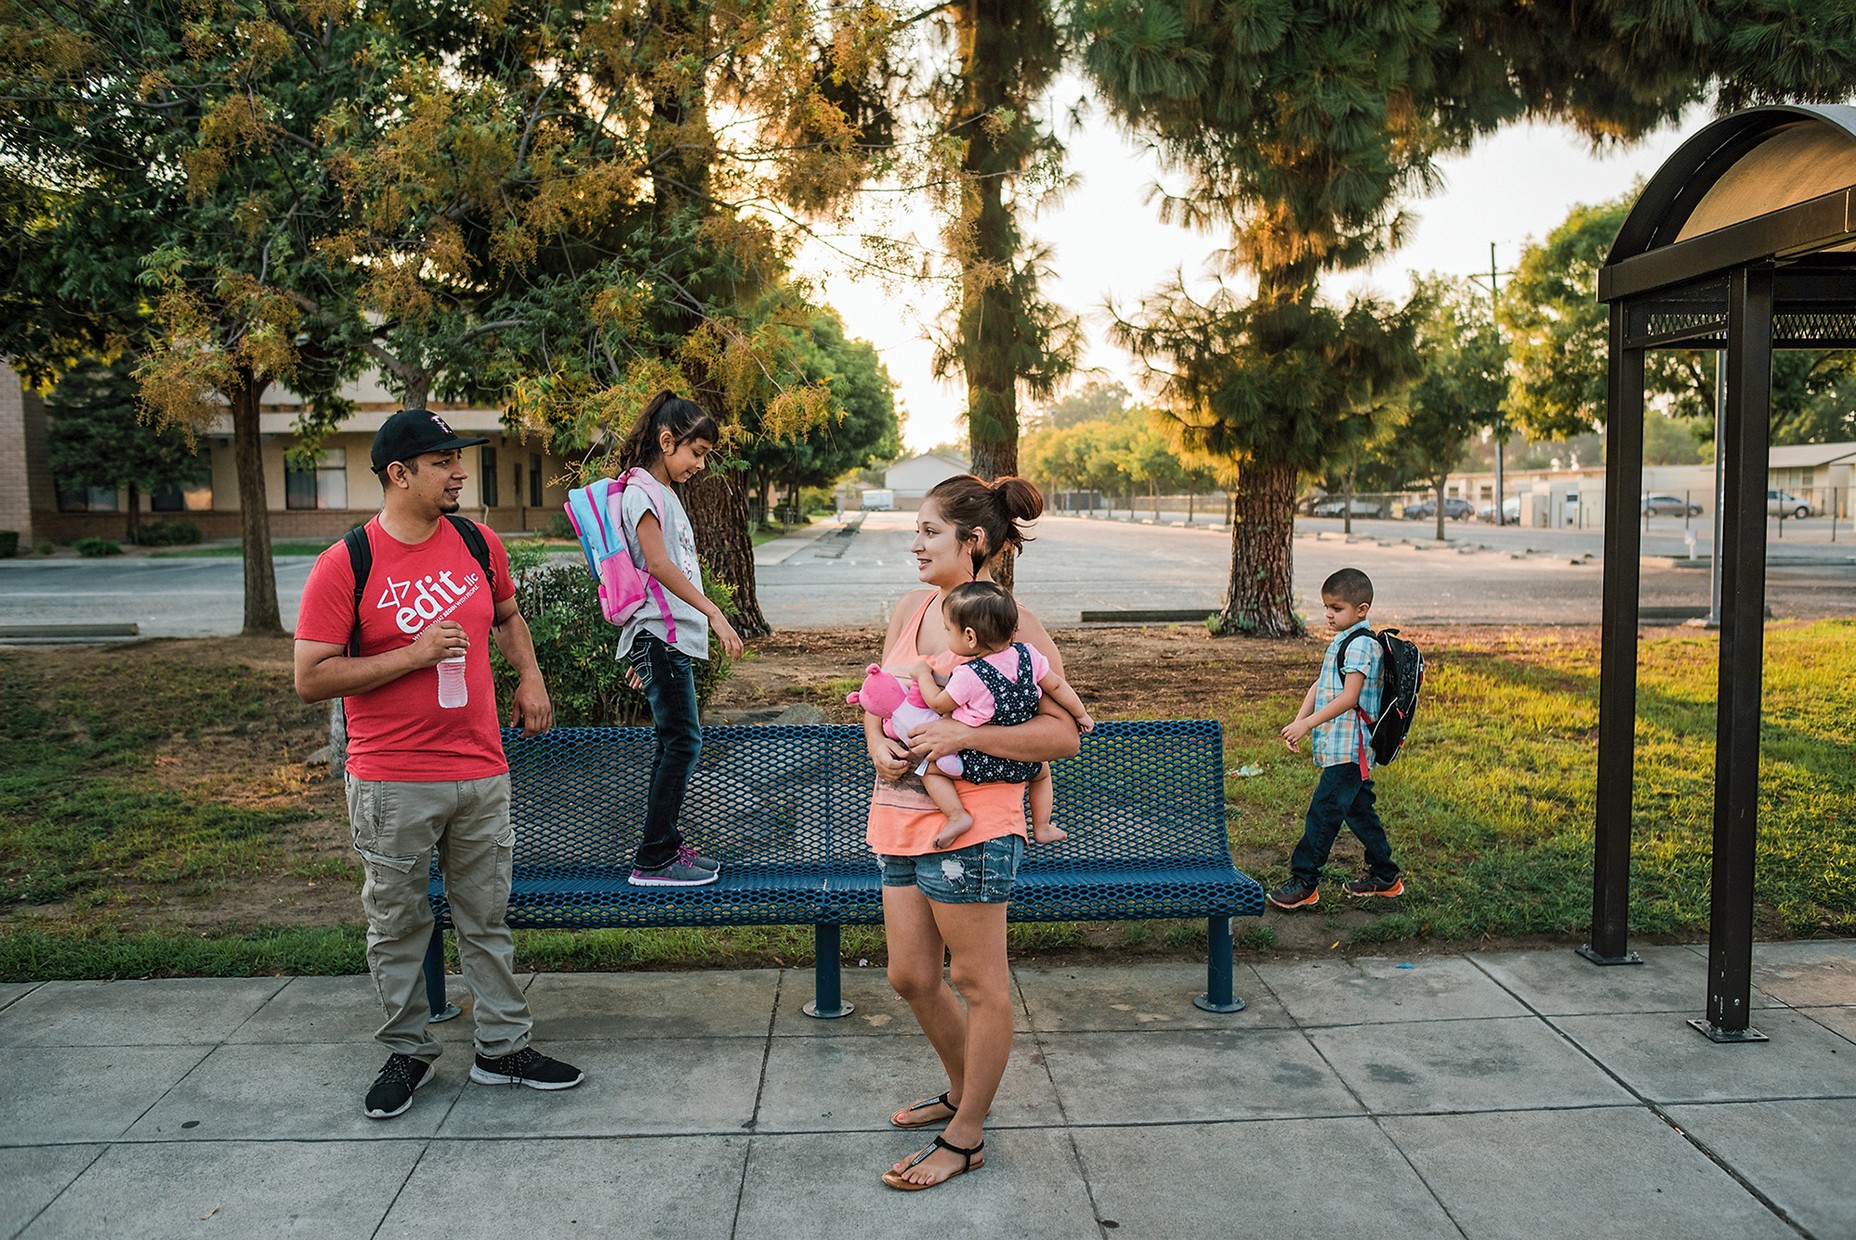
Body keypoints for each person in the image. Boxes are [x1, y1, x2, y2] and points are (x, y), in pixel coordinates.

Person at [294, 408, 583, 1120]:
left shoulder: (478, 542)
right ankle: (409, 1052)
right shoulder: (347, 563)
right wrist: (412, 656)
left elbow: (509, 618)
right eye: (443, 462)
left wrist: (531, 677)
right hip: (392, 778)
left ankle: (502, 1049)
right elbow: (311, 676)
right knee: (396, 924)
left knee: (486, 917)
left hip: (481, 768)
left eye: (459, 460)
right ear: (399, 474)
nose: (460, 472)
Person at [860, 474, 1081, 1191]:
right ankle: (964, 1093)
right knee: (910, 977)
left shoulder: (1011, 622)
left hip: (976, 829)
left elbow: (1063, 733)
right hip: (898, 816)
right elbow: (879, 694)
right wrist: (874, 743)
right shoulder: (912, 608)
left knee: (978, 982)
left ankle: (967, 1132)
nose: (915, 542)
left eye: (929, 530)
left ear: (974, 540)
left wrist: (958, 729)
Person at [610, 390, 745, 887]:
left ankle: (662, 847)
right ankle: (655, 857)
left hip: (660, 639)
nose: (701, 464)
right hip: (661, 636)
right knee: (682, 742)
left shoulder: (659, 492)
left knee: (679, 742)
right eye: (697, 452)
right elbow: (659, 565)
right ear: (667, 441)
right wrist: (715, 614)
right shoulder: (641, 492)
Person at [911, 580, 1094, 849]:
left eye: (949, 630)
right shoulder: (1029, 656)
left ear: (970, 637)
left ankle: (957, 815)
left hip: (977, 759)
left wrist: (922, 673)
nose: (947, 635)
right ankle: (1042, 826)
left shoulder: (968, 675)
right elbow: (1057, 686)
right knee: (1042, 774)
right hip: (1021, 759)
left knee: (929, 771)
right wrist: (1082, 715)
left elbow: (939, 704)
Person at [1268, 566, 1405, 910]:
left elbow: (1349, 698)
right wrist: (1298, 721)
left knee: (1323, 812)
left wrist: (1308, 725)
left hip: (1351, 749)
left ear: (1362, 610)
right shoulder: (1342, 642)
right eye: (1326, 607)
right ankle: (1385, 876)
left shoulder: (1361, 646)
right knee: (1359, 812)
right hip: (1341, 746)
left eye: (1337, 608)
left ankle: (1305, 881)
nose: (1329, 614)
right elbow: (1320, 685)